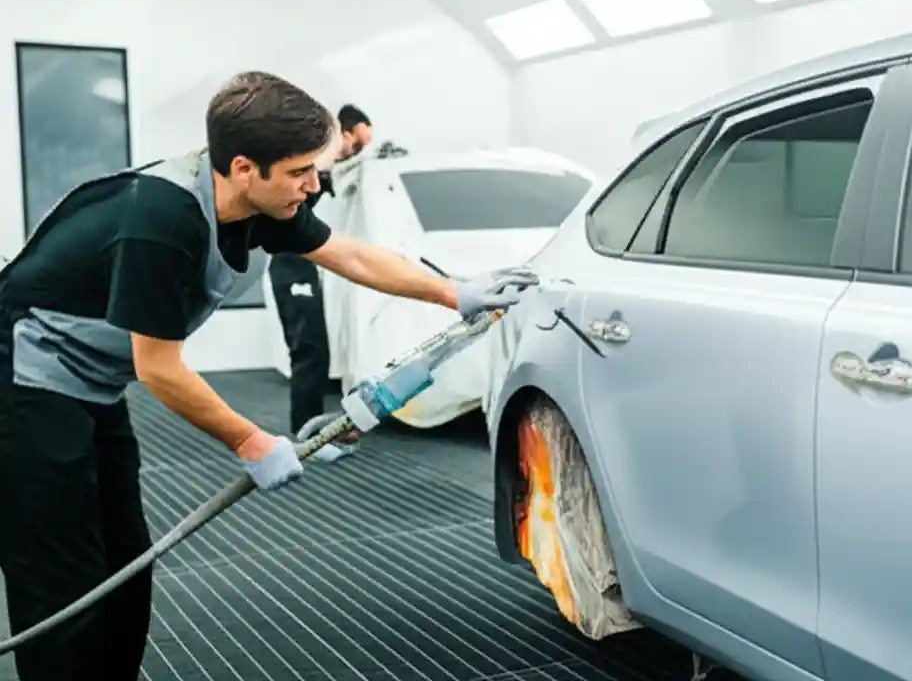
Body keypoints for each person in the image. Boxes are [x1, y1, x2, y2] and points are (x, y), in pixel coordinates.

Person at [0, 71, 537, 681]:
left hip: (90, 381)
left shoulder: (260, 204)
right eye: (302, 171)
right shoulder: (161, 218)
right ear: (244, 167)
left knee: (127, 559)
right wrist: (250, 442)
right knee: (63, 579)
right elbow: (160, 369)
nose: (315, 186)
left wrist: (452, 291)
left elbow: (350, 254)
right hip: (20, 381)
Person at [267, 103, 372, 458]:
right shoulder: (310, 168)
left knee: (317, 350)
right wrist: (335, 156)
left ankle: (312, 433)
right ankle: (306, 440)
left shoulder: (322, 173)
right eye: (360, 139)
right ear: (346, 134)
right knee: (308, 351)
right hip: (289, 267)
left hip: (303, 266)